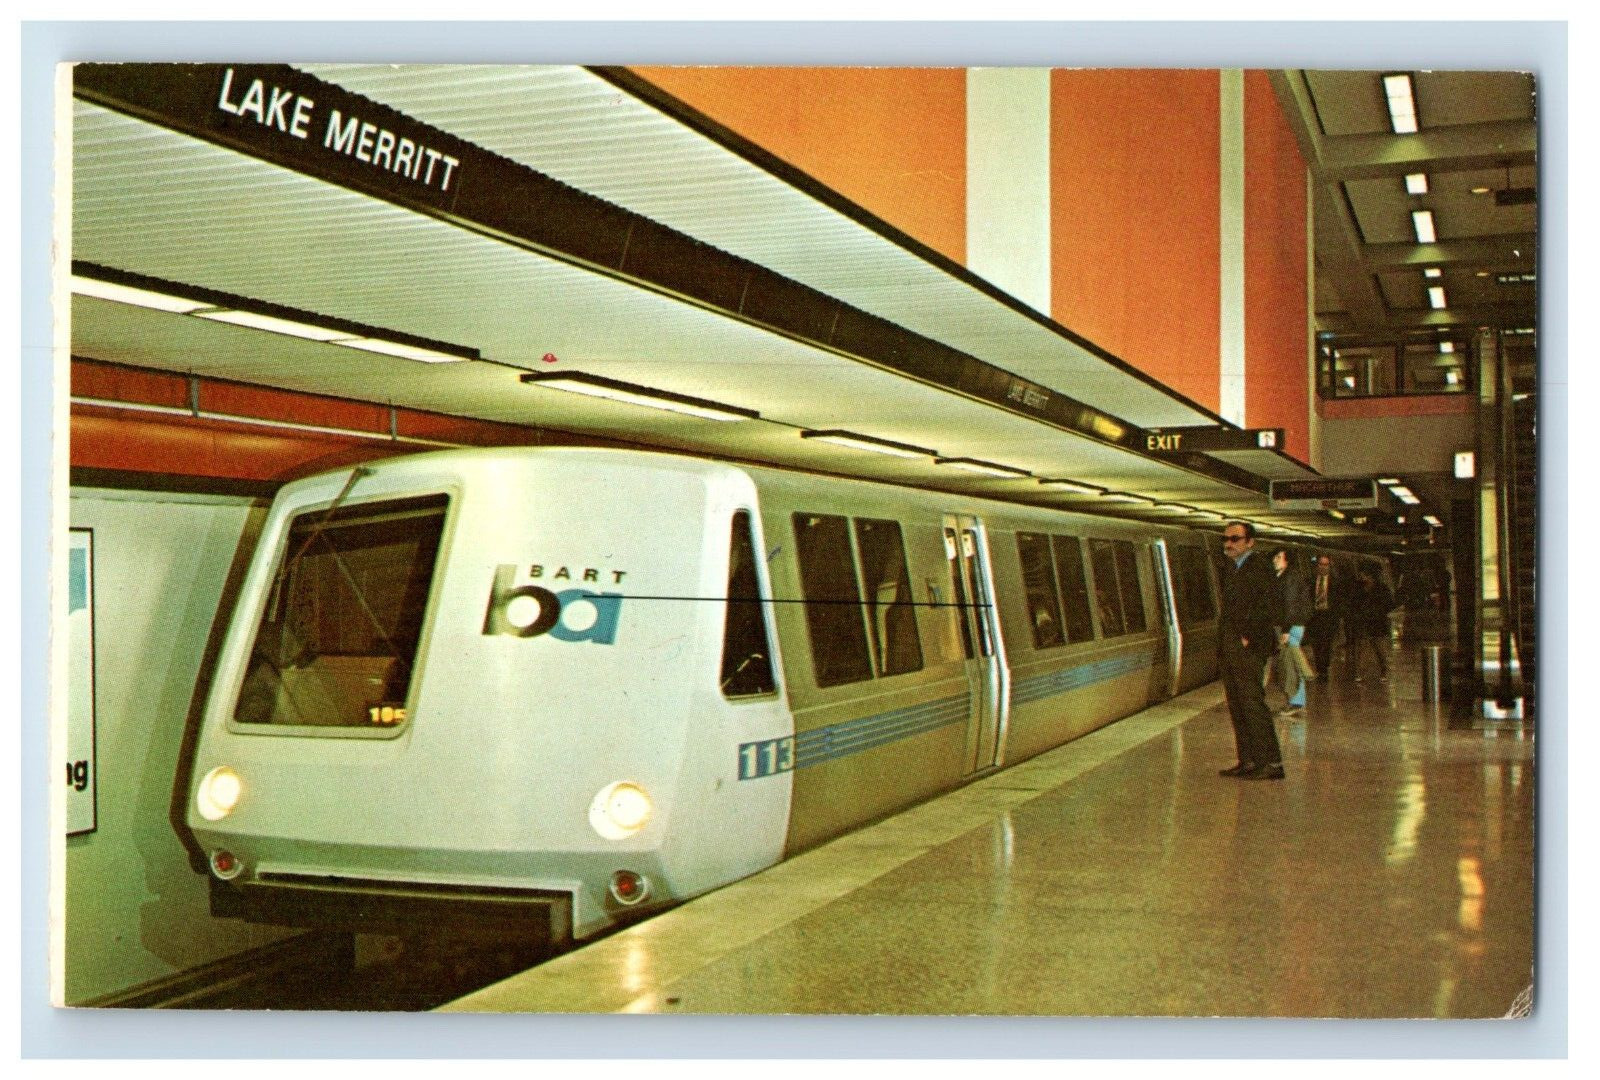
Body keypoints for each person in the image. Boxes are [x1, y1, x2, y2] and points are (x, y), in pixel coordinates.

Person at [1216, 522, 1284, 780]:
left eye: (1235, 539)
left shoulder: (1260, 568)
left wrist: (1248, 637)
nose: (1228, 544)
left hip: (1248, 647)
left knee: (1252, 703)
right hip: (1231, 646)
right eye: (1226, 539)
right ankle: (1248, 760)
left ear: (1250, 542)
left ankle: (1271, 763)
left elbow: (1269, 607)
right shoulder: (1233, 568)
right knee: (1237, 704)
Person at [1270, 549, 1314, 716]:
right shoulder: (1283, 576)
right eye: (1275, 557)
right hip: (1288, 625)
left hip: (1291, 626)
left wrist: (1286, 629)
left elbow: (1290, 605)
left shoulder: (1290, 578)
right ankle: (1295, 700)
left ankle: (1296, 702)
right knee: (1290, 662)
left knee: (1292, 664)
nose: (1275, 560)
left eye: (1279, 557)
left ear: (1287, 561)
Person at [1348, 567, 1395, 682]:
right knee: (1361, 647)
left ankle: (1384, 671)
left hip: (1377, 622)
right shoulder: (1358, 588)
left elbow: (1389, 604)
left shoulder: (1382, 589)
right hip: (1363, 621)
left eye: (1365, 575)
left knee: (1379, 648)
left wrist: (1378, 611)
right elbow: (1353, 603)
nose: (1363, 577)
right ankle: (1359, 673)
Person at [1305, 554, 1341, 678]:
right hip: (1315, 617)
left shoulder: (1335, 583)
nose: (1323, 567)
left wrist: (1337, 618)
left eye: (1326, 565)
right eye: (1321, 564)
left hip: (1328, 617)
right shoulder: (1311, 581)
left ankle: (1324, 669)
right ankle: (1320, 668)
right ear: (1317, 566)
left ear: (1329, 566)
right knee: (1316, 644)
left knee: (1326, 643)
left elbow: (1338, 602)